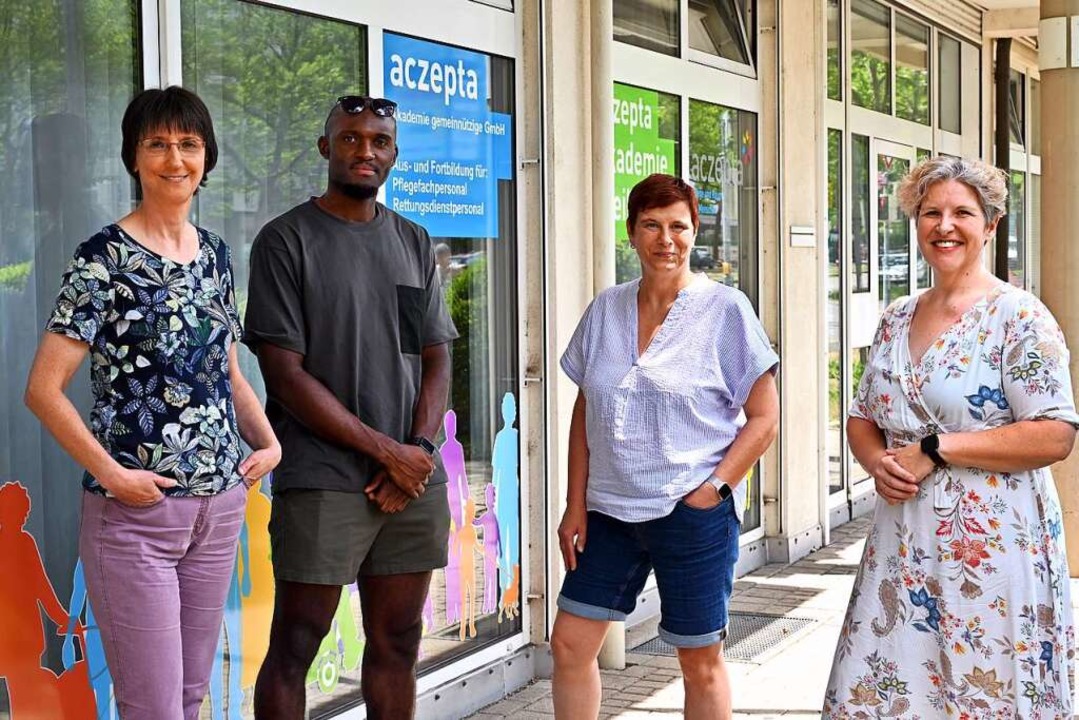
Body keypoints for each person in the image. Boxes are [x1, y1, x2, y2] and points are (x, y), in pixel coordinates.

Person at [23, 86, 280, 720]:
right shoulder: (101, 259)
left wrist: (268, 441)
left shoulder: (216, 255)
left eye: (188, 144)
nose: (175, 158)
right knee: (153, 707)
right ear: (133, 158)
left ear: (207, 157)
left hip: (217, 511)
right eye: (157, 144)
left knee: (190, 700)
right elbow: (43, 390)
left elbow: (224, 369)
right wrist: (113, 476)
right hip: (135, 515)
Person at [822, 156, 1077, 718]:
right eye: (930, 212)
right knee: (871, 695)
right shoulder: (896, 317)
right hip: (902, 546)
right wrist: (876, 463)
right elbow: (863, 415)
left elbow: (1055, 435)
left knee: (982, 694)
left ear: (989, 226)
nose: (944, 225)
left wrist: (936, 448)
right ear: (915, 224)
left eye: (962, 212)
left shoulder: (1020, 318)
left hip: (992, 553)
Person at [246, 94, 456, 719]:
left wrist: (417, 452)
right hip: (324, 478)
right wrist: (388, 453)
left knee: (398, 642)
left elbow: (435, 355)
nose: (365, 151)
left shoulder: (412, 240)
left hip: (409, 482)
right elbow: (285, 376)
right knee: (295, 646)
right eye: (350, 139)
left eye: (379, 141)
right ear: (325, 148)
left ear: (394, 154)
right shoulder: (286, 241)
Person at [551, 173, 780, 720]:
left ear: (694, 232)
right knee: (568, 645)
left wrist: (714, 488)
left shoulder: (725, 310)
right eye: (651, 225)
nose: (665, 239)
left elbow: (765, 418)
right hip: (607, 512)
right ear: (631, 232)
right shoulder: (605, 309)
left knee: (698, 662)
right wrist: (574, 502)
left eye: (678, 226)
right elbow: (587, 410)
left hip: (689, 512)